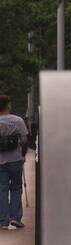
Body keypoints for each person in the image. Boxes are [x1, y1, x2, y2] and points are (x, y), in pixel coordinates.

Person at [0, 94, 29, 230]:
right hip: (15, 159)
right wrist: (23, 154)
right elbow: (24, 140)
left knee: (2, 189)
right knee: (16, 188)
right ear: (8, 105)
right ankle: (16, 218)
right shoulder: (17, 120)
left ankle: (3, 221)